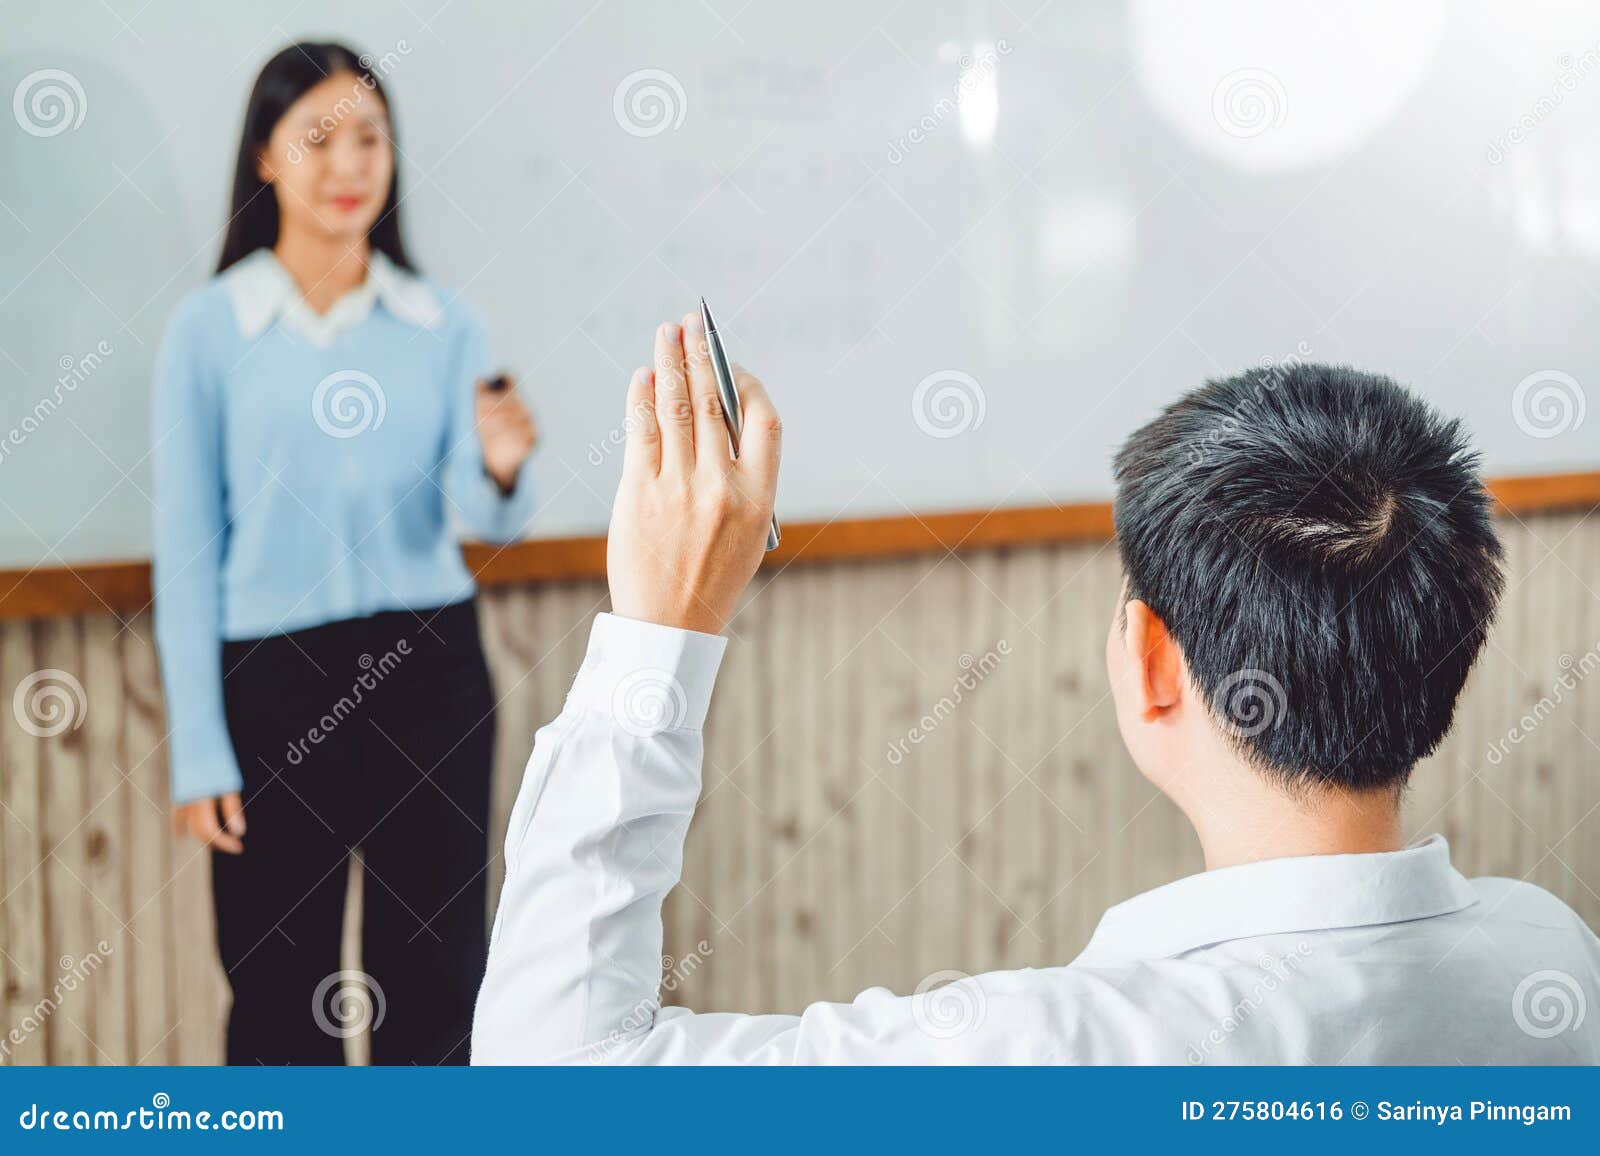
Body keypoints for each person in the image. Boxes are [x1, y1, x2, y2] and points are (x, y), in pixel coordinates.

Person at [471, 329, 1600, 1063]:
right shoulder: (1552, 960)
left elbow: (545, 1083)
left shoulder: (1059, 1053)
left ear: (1152, 664)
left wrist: (661, 632)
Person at [151, 42, 538, 1064]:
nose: (349, 163)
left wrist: (501, 467)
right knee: (281, 988)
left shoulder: (441, 322)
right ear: (266, 158)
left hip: (432, 667)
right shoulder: (208, 330)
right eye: (318, 138)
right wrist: (199, 747)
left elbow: (484, 521)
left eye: (370, 137)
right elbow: (187, 548)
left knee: (439, 972)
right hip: (273, 681)